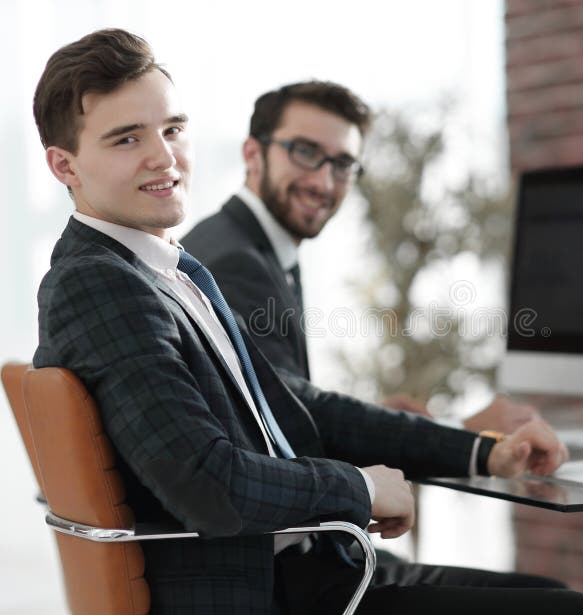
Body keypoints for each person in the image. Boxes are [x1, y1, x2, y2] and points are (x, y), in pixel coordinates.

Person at [32, 28, 583, 615]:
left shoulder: (170, 271)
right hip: (272, 586)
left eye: (173, 129)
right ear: (65, 166)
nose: (164, 156)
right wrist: (358, 489)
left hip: (310, 561)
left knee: (563, 601)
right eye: (127, 138)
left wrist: (478, 450)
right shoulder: (99, 282)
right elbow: (207, 482)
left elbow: (297, 409)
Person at [181, 80, 539, 434]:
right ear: (252, 154)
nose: (324, 183)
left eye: (342, 164)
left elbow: (287, 404)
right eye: (305, 152)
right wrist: (460, 429)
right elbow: (294, 425)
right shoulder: (236, 262)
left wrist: (376, 418)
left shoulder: (244, 244)